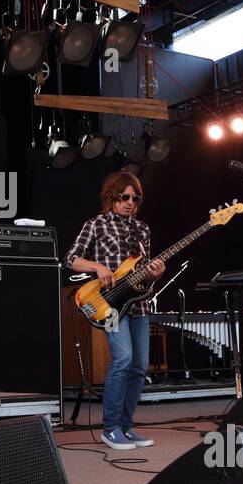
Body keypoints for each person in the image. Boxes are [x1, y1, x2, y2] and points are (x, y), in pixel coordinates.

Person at [66, 171, 165, 450]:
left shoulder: (143, 229)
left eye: (135, 198)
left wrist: (154, 274)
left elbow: (141, 274)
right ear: (112, 197)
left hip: (139, 305)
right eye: (125, 197)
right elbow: (71, 259)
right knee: (122, 358)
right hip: (108, 306)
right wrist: (96, 266)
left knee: (139, 366)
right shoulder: (95, 224)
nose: (130, 202)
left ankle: (125, 426)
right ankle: (109, 429)